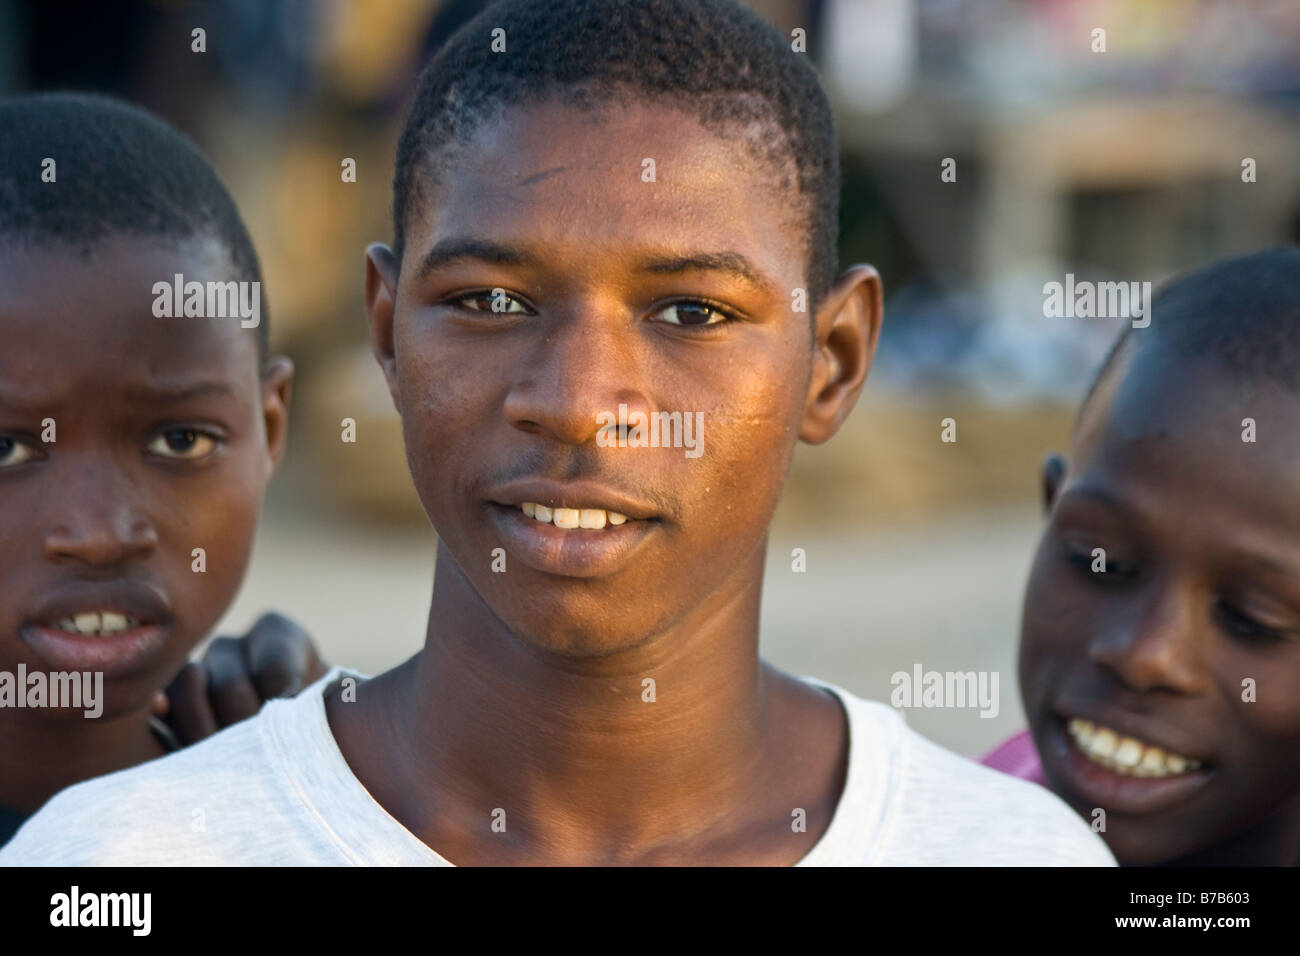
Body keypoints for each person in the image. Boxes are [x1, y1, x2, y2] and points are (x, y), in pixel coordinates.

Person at [1, 0, 1112, 866]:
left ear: (834, 362)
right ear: (386, 332)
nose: (578, 400)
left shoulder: (1007, 854)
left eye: (691, 312)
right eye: (490, 300)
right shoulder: (122, 860)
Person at [0, 93, 323, 848]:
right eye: (6, 449)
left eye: (180, 440)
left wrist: (322, 795)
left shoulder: (314, 795)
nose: (101, 535)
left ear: (269, 427)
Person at [986, 248, 1300, 866]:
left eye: (1252, 619)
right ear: (1051, 512)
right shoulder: (949, 828)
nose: (1144, 655)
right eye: (1097, 560)